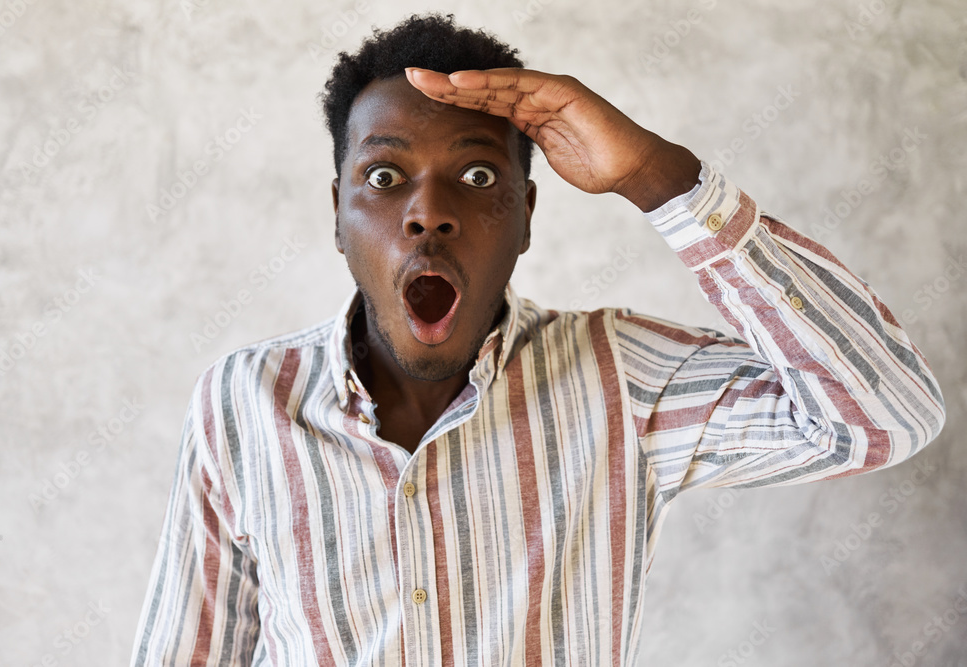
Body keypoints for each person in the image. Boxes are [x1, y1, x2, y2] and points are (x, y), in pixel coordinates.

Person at [130, 12, 945, 666]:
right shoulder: (243, 402)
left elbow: (885, 416)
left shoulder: (619, 380)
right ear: (337, 218)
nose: (428, 211)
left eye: (478, 176)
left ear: (525, 215)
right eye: (383, 177)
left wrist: (654, 174)